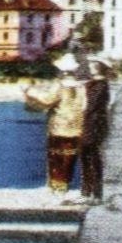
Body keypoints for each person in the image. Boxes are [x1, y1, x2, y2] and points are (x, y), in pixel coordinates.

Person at [23, 53, 90, 203]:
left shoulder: (59, 86)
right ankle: (64, 186)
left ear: (62, 71)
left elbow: (47, 100)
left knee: (56, 157)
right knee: (69, 158)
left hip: (59, 127)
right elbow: (84, 107)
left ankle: (56, 189)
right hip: (76, 127)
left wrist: (29, 91)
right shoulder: (81, 88)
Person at [78, 57, 112, 204]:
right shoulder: (95, 84)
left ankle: (95, 193)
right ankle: (87, 191)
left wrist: (78, 114)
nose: (90, 67)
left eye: (93, 65)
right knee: (86, 156)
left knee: (92, 157)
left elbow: (91, 107)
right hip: (91, 124)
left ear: (99, 68)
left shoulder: (100, 86)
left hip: (94, 125)